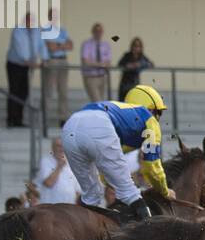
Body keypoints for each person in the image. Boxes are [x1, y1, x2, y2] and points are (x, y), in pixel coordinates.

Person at [62, 85, 173, 222]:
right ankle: (149, 237)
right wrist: (165, 191)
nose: (158, 119)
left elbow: (107, 169)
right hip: (97, 126)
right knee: (130, 193)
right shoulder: (148, 118)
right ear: (151, 108)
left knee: (91, 196)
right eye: (158, 113)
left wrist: (108, 181)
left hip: (69, 127)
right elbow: (152, 167)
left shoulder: (121, 118)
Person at [5, 14, 47, 127]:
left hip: (27, 65)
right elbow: (20, 48)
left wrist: (44, 59)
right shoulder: (18, 30)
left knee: (24, 92)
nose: (31, 23)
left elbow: (41, 45)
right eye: (29, 21)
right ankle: (10, 119)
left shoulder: (37, 31)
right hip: (15, 64)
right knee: (14, 90)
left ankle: (19, 119)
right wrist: (28, 61)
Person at [42, 11, 72, 125]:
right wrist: (62, 45)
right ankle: (44, 116)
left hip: (63, 61)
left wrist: (58, 45)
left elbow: (70, 45)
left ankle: (63, 117)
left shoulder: (62, 30)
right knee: (48, 91)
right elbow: (51, 47)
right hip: (52, 60)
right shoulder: (45, 30)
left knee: (63, 91)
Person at [37, 136, 81, 204]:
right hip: (51, 207)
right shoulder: (45, 161)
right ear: (53, 148)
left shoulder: (73, 163)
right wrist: (59, 166)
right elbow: (48, 183)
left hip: (69, 207)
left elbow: (77, 191)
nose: (61, 149)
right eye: (58, 146)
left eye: (63, 146)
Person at [80, 22, 112, 103]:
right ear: (93, 32)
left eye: (100, 31)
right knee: (96, 101)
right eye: (96, 31)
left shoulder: (106, 45)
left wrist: (95, 64)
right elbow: (85, 61)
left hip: (102, 77)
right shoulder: (87, 44)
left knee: (101, 101)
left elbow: (108, 62)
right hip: (91, 77)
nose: (98, 33)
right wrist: (101, 64)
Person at [117, 37, 153, 101]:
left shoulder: (141, 56)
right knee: (123, 102)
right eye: (135, 46)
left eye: (138, 46)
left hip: (135, 83)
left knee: (135, 102)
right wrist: (128, 65)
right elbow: (120, 65)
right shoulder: (127, 55)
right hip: (125, 84)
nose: (136, 48)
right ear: (132, 46)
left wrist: (140, 64)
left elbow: (151, 64)